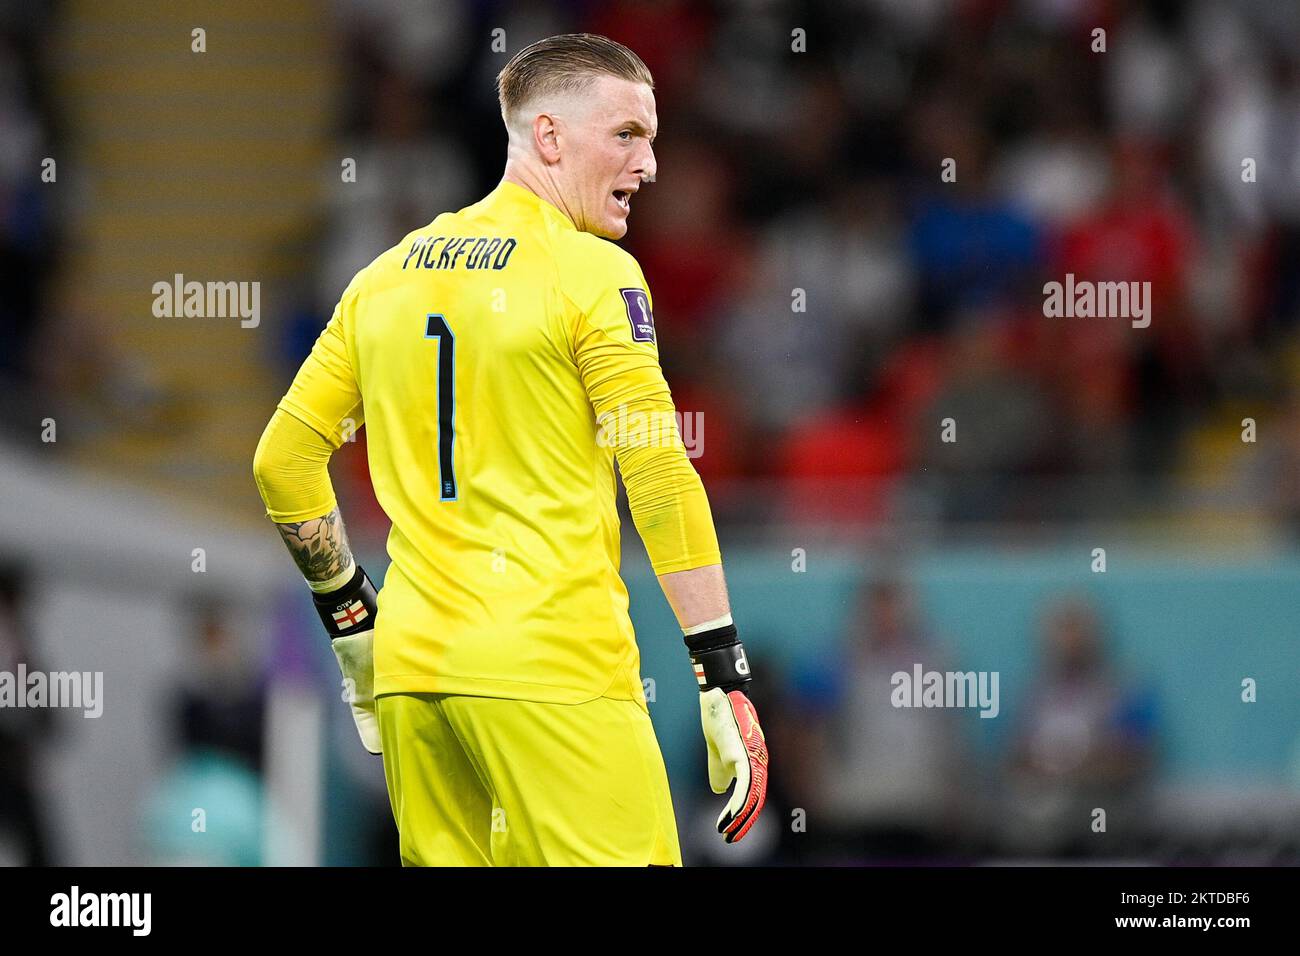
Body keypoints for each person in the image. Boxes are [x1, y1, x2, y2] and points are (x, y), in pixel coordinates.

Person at [252, 33, 767, 866]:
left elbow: (282, 459)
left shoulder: (384, 277)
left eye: (654, 139)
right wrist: (719, 670)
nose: (651, 165)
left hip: (415, 679)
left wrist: (354, 629)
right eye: (628, 135)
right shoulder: (592, 274)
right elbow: (658, 473)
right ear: (551, 137)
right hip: (554, 671)